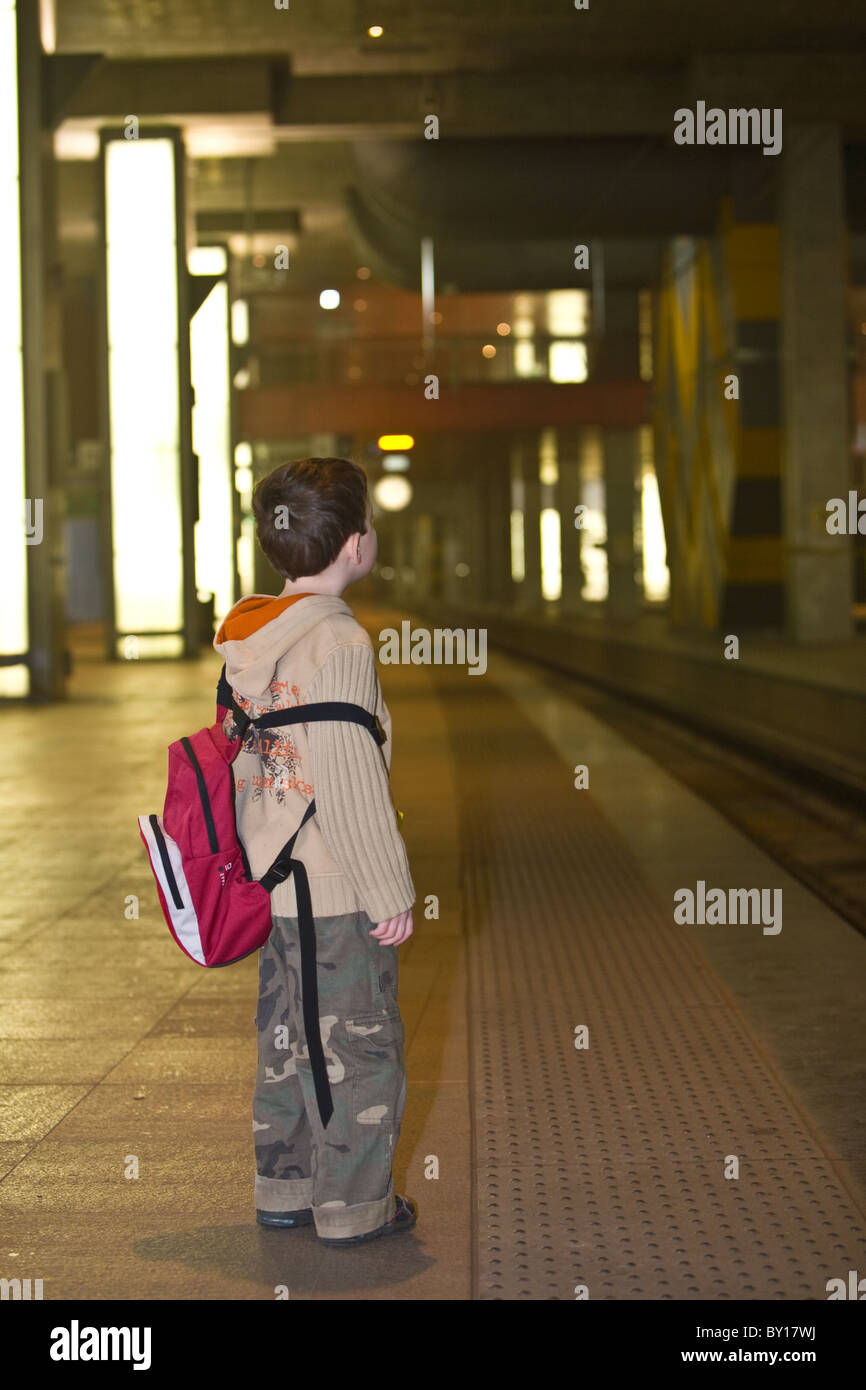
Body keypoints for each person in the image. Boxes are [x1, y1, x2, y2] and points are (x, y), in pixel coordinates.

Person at [213, 456, 417, 1245]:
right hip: (332, 886)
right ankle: (355, 1208)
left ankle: (284, 1188)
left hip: (273, 883)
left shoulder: (255, 635)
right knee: (359, 1046)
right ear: (357, 545)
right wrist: (388, 886)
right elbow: (350, 772)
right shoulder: (338, 642)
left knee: (287, 1041)